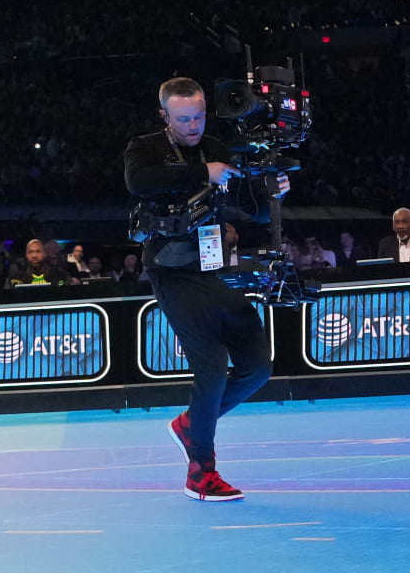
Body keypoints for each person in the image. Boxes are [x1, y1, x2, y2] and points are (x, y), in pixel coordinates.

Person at [125, 76, 283, 503]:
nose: (192, 126)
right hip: (173, 273)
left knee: (258, 367)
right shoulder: (145, 147)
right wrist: (201, 171)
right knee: (211, 368)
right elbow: (139, 183)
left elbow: (248, 208)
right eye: (183, 119)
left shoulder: (215, 146)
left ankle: (190, 424)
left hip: (214, 270)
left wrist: (270, 193)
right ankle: (201, 473)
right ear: (165, 116)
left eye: (198, 116)